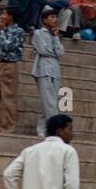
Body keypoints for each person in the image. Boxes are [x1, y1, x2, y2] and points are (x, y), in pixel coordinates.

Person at [31, 9, 65, 137]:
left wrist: (56, 37)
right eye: (52, 17)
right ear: (45, 20)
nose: (55, 19)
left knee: (52, 101)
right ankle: (54, 130)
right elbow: (44, 50)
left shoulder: (54, 35)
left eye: (56, 17)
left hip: (55, 69)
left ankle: (42, 129)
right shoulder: (38, 33)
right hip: (43, 68)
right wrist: (54, 51)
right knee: (49, 101)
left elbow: (60, 52)